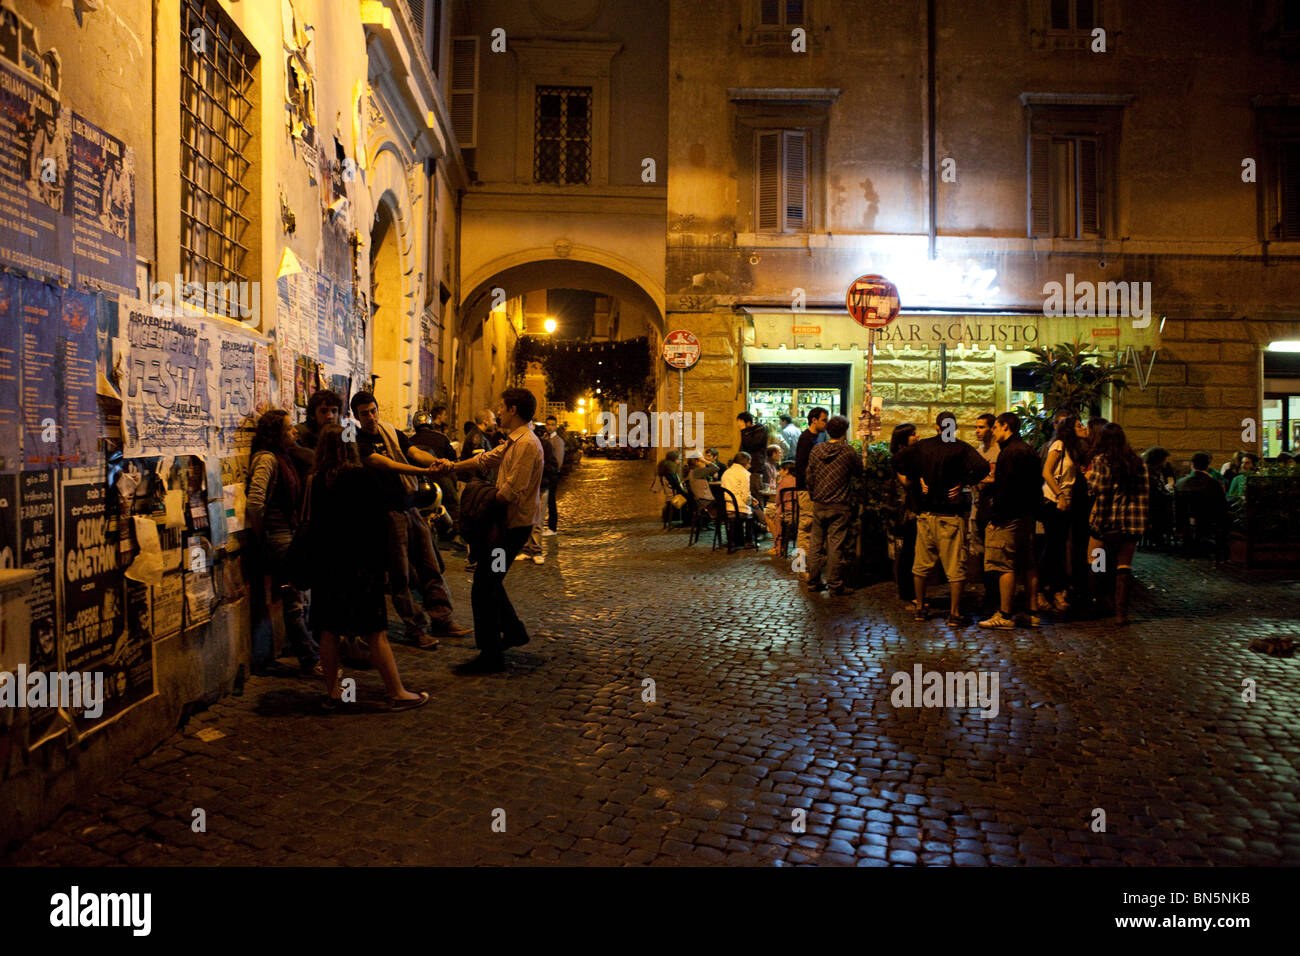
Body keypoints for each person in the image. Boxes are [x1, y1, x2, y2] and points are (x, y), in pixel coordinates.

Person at [310, 423, 427, 712]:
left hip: (328, 566)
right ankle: (397, 692)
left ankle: (334, 694)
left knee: (329, 630)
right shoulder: (363, 478)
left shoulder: (317, 480)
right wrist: (385, 566)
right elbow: (379, 525)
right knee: (375, 631)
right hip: (361, 567)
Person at [431, 388, 544, 673]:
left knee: (484, 586)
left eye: (503, 407)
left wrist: (478, 496)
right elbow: (485, 460)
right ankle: (512, 633)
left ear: (514, 410)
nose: (500, 412)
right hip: (506, 524)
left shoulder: (527, 445)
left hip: (511, 526)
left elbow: (510, 494)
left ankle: (491, 655)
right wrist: (452, 466)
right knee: (488, 583)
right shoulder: (514, 440)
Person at [351, 391, 471, 649]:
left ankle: (442, 618)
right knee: (400, 575)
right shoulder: (357, 440)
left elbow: (414, 452)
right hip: (387, 513)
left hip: (410, 506)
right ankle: (414, 627)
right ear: (356, 416)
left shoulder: (391, 433)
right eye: (364, 413)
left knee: (430, 564)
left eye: (373, 410)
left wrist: (437, 462)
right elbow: (386, 464)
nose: (371, 417)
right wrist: (424, 471)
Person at [892, 411, 990, 624]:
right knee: (955, 567)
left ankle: (919, 607)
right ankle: (954, 613)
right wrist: (964, 481)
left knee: (921, 564)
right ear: (953, 428)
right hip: (951, 516)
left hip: (926, 515)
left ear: (937, 427)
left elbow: (897, 460)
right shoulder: (961, 448)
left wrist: (918, 478)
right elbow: (983, 468)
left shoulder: (923, 447)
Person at [245, 409, 319, 675]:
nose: (294, 432)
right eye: (288, 429)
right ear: (275, 433)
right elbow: (255, 502)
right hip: (277, 535)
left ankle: (310, 652)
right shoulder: (267, 459)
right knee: (294, 599)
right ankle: (309, 658)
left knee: (301, 596)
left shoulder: (285, 457)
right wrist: (261, 537)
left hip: (289, 532)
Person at [979, 413, 1043, 629]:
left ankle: (1005, 615)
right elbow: (1035, 484)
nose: (993, 431)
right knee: (1028, 563)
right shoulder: (1029, 450)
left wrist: (996, 517)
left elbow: (1006, 488)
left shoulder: (1009, 452)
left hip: (1009, 517)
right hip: (1027, 515)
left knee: (1004, 564)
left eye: (995, 427)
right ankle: (1031, 612)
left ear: (1006, 427)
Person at [1086, 423, 1148, 625]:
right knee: (1124, 565)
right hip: (1132, 522)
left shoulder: (1102, 460)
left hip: (1106, 521)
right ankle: (1121, 612)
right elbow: (1145, 492)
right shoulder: (1138, 462)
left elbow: (1097, 488)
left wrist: (1088, 479)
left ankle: (1100, 601)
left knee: (1096, 560)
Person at [805, 415, 864, 595]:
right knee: (835, 545)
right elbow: (859, 472)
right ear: (844, 431)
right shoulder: (848, 451)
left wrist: (814, 494)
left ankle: (813, 581)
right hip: (840, 503)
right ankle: (835, 584)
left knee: (815, 543)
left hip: (820, 503)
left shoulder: (816, 450)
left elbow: (809, 476)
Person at [1038, 413, 1087, 613]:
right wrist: (1060, 495)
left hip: (1066, 502)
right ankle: (1043, 589)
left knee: (1059, 546)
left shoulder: (1075, 450)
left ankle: (1054, 589)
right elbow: (1046, 472)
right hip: (1053, 501)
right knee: (1053, 547)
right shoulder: (1058, 445)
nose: (1082, 427)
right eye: (1078, 425)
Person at [410, 405, 462, 549]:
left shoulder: (410, 439)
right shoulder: (442, 438)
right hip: (439, 477)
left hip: (418, 478)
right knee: (453, 502)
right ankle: (455, 534)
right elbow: (452, 458)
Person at [967, 414, 1000, 616]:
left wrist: (981, 480)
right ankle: (987, 591)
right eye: (976, 427)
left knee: (992, 552)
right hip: (977, 506)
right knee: (980, 552)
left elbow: (994, 478)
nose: (977, 431)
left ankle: (994, 595)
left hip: (991, 508)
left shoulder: (998, 452)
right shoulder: (979, 452)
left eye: (981, 427)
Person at [886, 423, 919, 603]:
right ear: (902, 440)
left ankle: (908, 590)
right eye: (913, 434)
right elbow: (906, 482)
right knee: (907, 551)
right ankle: (907, 591)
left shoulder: (909, 456)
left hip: (909, 509)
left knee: (910, 550)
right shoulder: (900, 458)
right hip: (905, 511)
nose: (917, 436)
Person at [793, 407, 830, 565]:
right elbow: (801, 466)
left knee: (813, 526)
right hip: (807, 489)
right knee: (806, 527)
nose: (826, 423)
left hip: (815, 489)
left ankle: (810, 563)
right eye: (824, 420)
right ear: (814, 420)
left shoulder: (820, 436)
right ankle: (801, 564)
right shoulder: (806, 438)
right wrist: (810, 487)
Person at [1175, 452, 1228, 559]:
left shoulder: (1180, 483)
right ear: (1208, 466)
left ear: (1192, 465)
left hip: (1186, 519)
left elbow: (1177, 506)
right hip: (1209, 519)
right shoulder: (1214, 484)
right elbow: (1222, 505)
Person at [1142, 446, 1175, 548]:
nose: (1166, 462)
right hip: (1152, 508)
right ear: (1158, 460)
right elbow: (1156, 494)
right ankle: (1158, 537)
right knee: (1169, 511)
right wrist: (1169, 495)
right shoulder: (1149, 473)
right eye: (1164, 459)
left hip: (1151, 505)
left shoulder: (1151, 471)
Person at [763, 461, 798, 556]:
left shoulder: (783, 481)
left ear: (786, 470)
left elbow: (778, 501)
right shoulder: (798, 480)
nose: (779, 471)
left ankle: (777, 544)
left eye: (781, 469)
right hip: (798, 511)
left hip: (786, 511)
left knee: (767, 513)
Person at [737, 412, 770, 496]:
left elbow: (751, 445)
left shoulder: (760, 430)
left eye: (741, 424)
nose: (739, 426)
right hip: (745, 467)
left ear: (748, 422)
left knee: (755, 492)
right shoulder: (747, 431)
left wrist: (743, 430)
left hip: (755, 466)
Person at [542, 415, 565, 534]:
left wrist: (551, 471)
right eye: (548, 424)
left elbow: (558, 462)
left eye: (552, 424)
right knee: (544, 501)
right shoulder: (544, 438)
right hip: (544, 475)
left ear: (556, 426)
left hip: (552, 475)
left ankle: (552, 527)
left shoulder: (558, 441)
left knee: (551, 500)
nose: (550, 427)